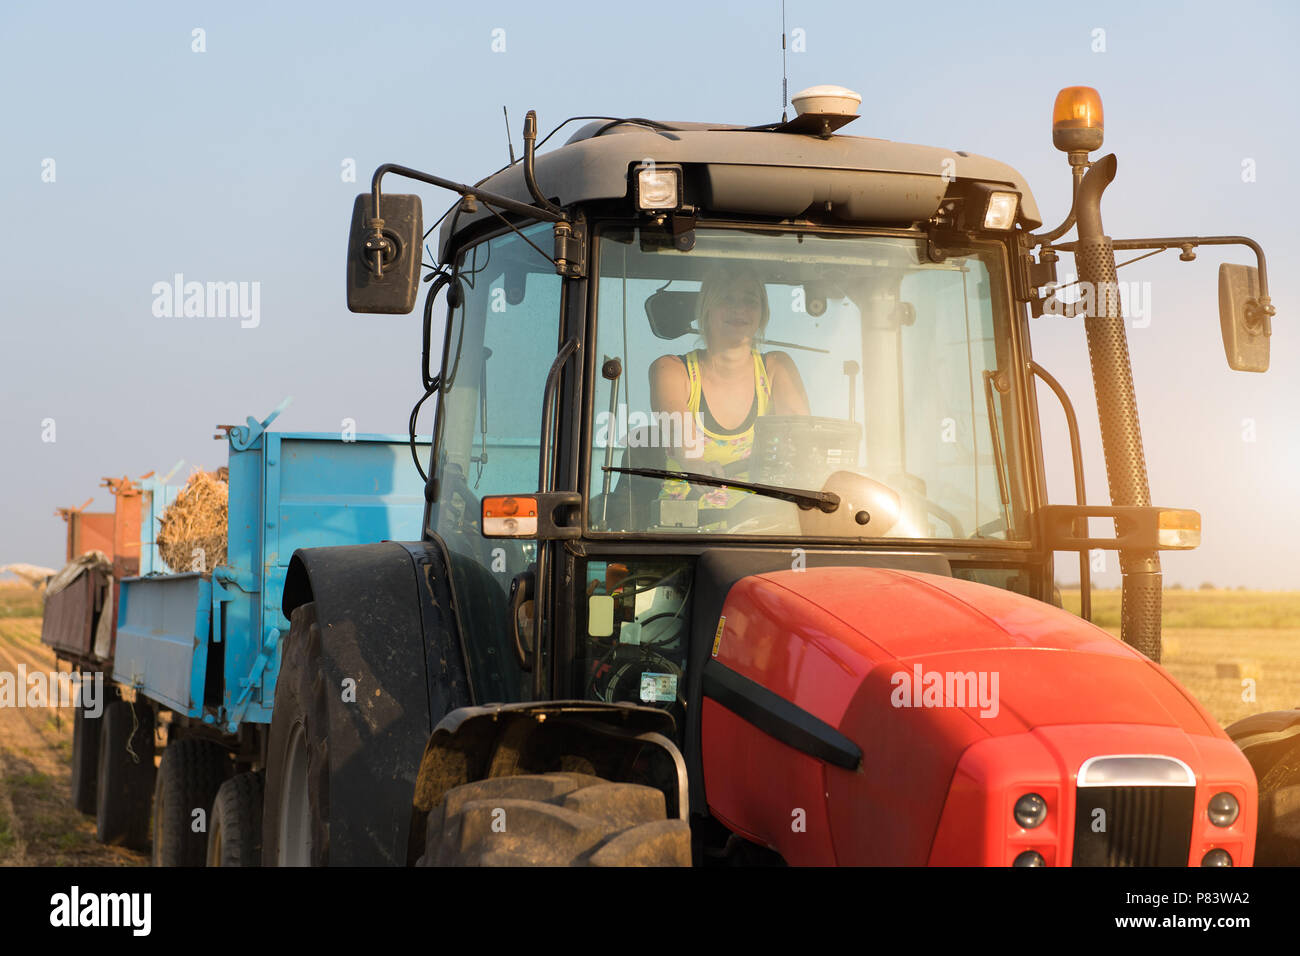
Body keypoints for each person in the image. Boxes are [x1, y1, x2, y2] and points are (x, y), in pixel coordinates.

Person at [649, 265, 809, 516]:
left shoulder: (777, 367)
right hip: (685, 528)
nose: (740, 309)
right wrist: (693, 464)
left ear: (762, 312)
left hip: (760, 525)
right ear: (707, 307)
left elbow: (803, 444)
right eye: (727, 299)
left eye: (750, 300)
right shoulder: (671, 369)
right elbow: (685, 447)